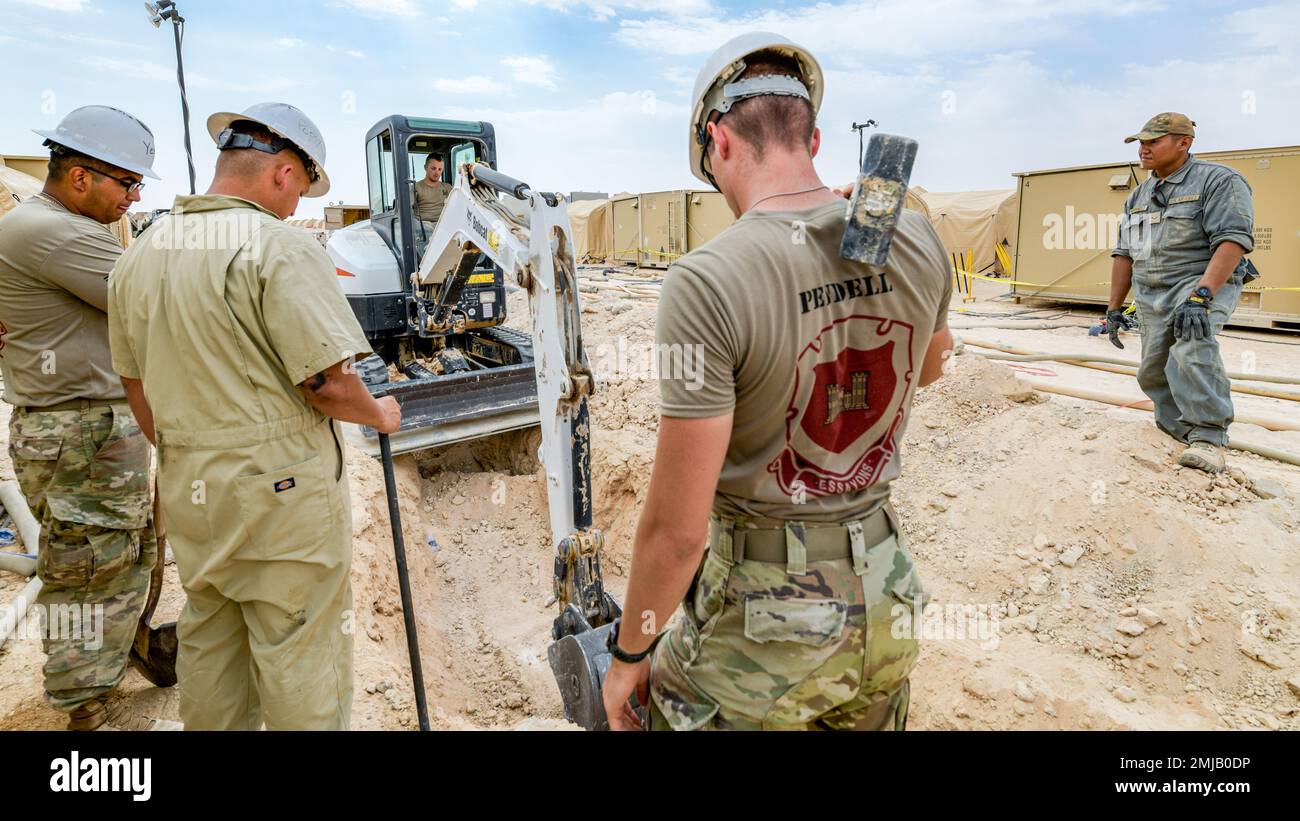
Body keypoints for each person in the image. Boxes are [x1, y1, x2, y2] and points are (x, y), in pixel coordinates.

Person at [600, 32, 953, 731]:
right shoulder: (914, 237)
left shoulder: (707, 280)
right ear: (813, 138)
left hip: (767, 632)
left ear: (718, 142)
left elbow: (677, 533)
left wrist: (629, 651)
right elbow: (932, 366)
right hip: (886, 598)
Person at [107, 102, 401, 730]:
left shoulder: (139, 255)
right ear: (283, 173)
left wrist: (193, 447)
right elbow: (325, 381)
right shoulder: (279, 248)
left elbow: (135, 385)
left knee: (212, 635)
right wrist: (380, 414)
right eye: (300, 189)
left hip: (191, 488)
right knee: (299, 652)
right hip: (280, 498)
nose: (296, 206)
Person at [0, 105, 170, 731]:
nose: (134, 195)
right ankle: (83, 708)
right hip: (80, 430)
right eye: (127, 183)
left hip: (85, 427)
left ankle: (106, 663)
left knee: (113, 557)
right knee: (87, 569)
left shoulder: (56, 225)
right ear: (79, 176)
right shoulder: (52, 232)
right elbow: (157, 298)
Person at [1107, 113, 1256, 473]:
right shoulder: (1140, 195)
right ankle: (1176, 433)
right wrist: (1114, 309)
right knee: (1153, 370)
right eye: (1140, 142)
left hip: (1199, 283)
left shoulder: (1218, 181)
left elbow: (1233, 239)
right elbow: (1125, 253)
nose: (1144, 149)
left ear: (1183, 143)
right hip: (1152, 291)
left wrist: (1202, 296)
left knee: (1190, 351)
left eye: (1153, 142)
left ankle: (1208, 438)